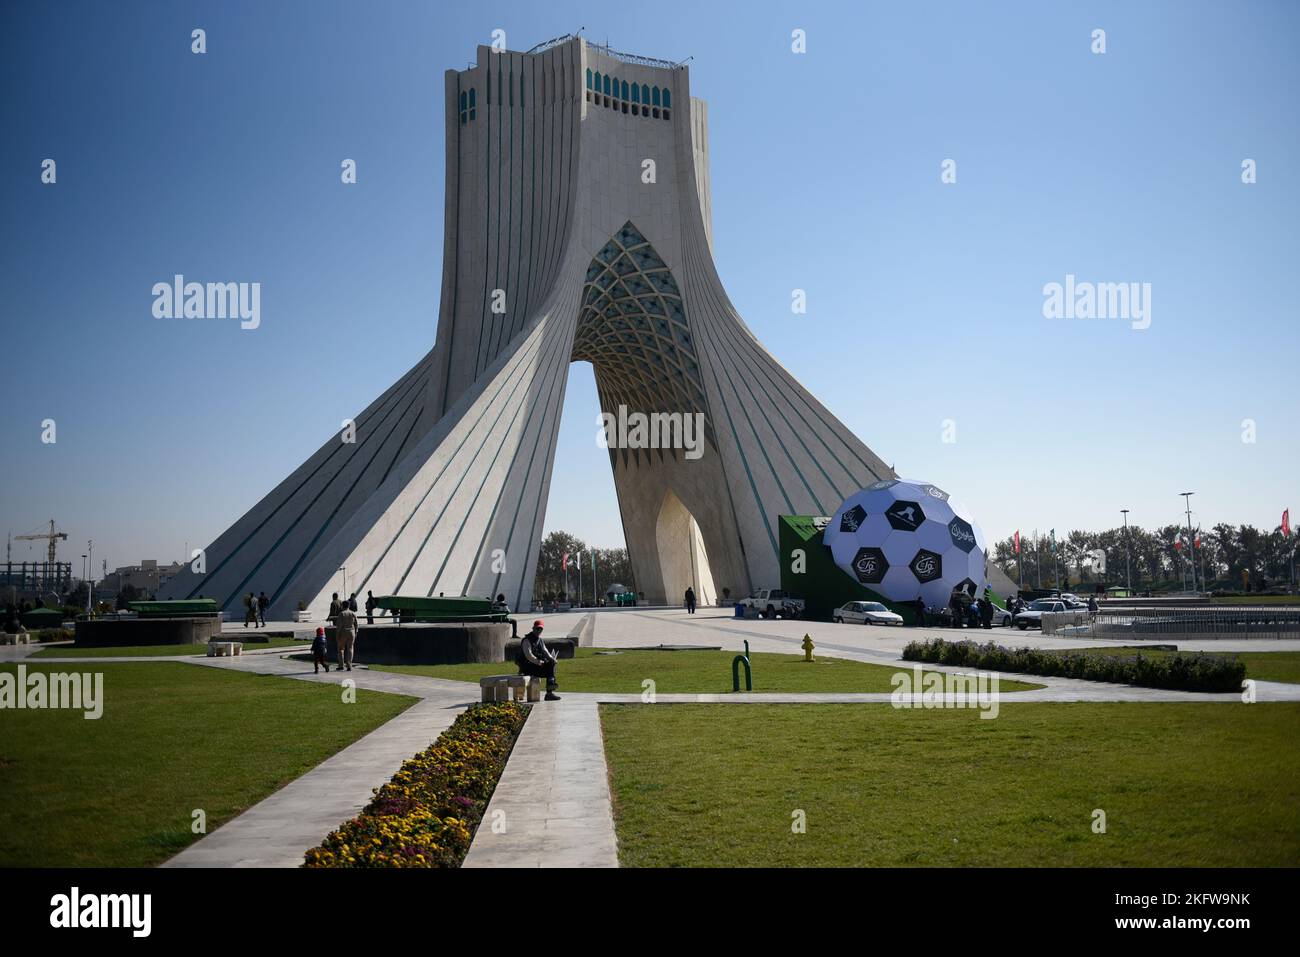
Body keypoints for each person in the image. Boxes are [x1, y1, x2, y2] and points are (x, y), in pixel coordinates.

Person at [515, 619, 560, 701]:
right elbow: (529, 656)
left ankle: (549, 691)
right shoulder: (526, 640)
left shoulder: (540, 640)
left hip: (537, 666)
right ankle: (550, 689)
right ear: (533, 628)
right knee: (550, 669)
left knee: (551, 664)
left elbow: (545, 651)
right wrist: (539, 662)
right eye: (537, 628)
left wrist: (552, 659)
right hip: (527, 667)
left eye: (540, 629)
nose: (539, 630)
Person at [335, 601, 359, 671]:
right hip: (352, 632)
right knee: (350, 648)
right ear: (349, 606)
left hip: (343, 632)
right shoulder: (353, 613)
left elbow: (339, 626)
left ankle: (341, 665)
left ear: (342, 606)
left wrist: (337, 634)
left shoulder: (341, 614)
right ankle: (349, 665)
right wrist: (356, 632)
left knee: (341, 649)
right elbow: (356, 624)